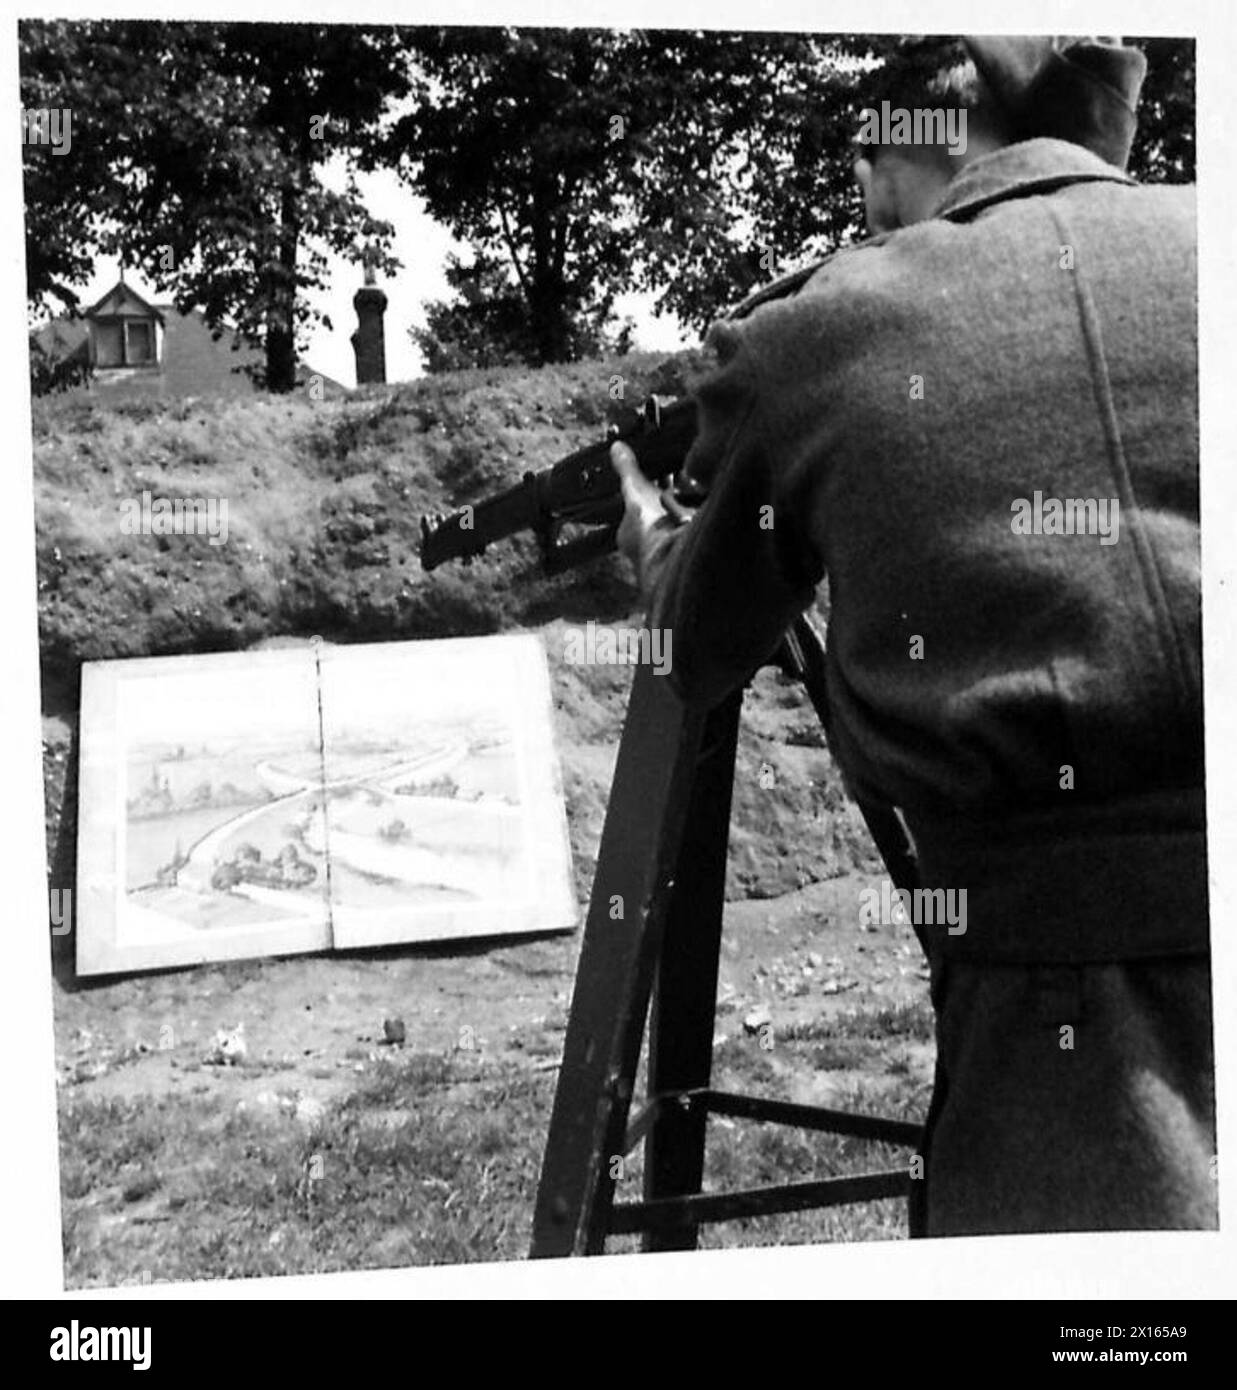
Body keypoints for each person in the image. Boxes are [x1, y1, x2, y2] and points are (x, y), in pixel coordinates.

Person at [609, 35, 1214, 1236]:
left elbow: (696, 647)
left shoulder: (822, 330)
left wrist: (646, 528)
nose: (863, 197)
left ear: (913, 138)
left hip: (1074, 1042)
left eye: (864, 162)